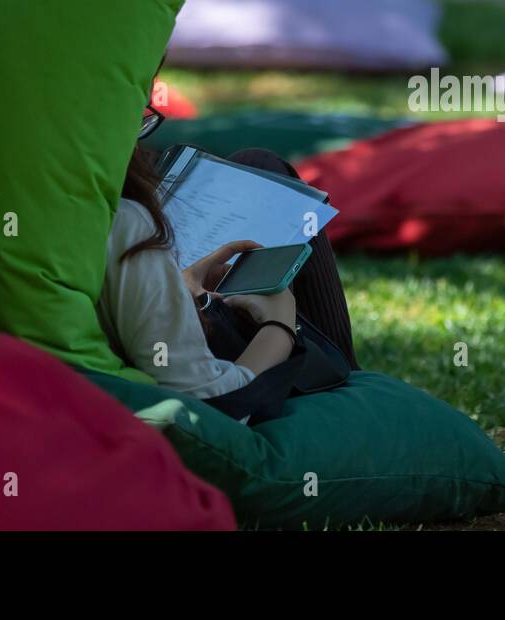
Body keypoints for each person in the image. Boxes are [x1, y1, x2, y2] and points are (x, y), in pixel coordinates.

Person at [95, 98, 359, 421]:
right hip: (224, 388)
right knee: (266, 167)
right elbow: (211, 406)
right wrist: (279, 327)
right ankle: (352, 400)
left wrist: (176, 286)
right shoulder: (125, 223)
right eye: (139, 125)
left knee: (257, 163)